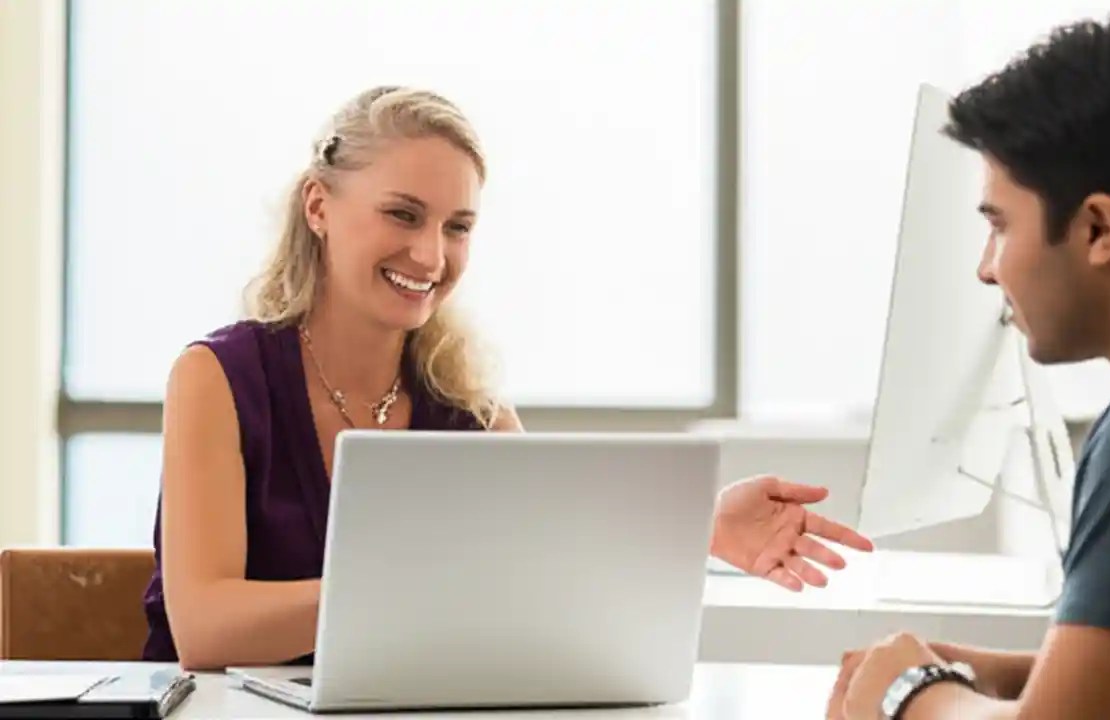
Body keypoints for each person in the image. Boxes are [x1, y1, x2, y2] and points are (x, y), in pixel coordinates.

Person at [144, 85, 873, 670]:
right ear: (318, 206)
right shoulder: (217, 378)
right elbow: (208, 631)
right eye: (403, 214)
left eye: (457, 227)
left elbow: (550, 566)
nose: (431, 257)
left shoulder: (468, 406)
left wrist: (701, 529)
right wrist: (432, 589)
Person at [828, 15, 1110, 720]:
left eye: (1000, 225)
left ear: (1099, 229)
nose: (987, 268)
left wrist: (905, 695)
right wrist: (993, 677)